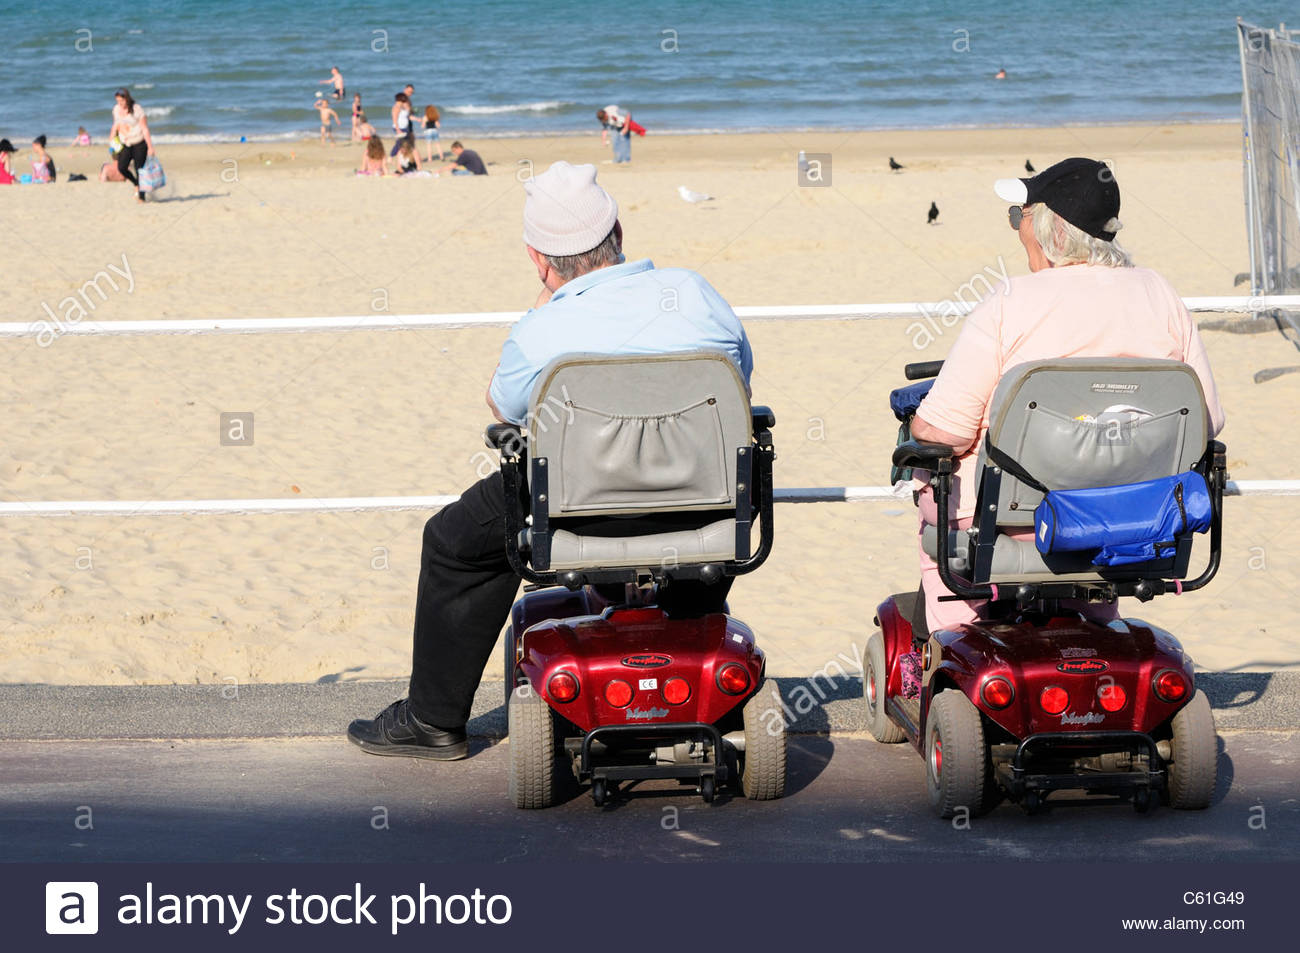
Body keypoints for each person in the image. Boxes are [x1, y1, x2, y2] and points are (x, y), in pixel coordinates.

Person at [346, 160, 754, 760]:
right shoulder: (693, 292)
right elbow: (737, 375)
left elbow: (503, 407)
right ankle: (693, 667)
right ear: (618, 232)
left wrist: (545, 303)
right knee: (684, 522)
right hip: (699, 506)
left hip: (575, 509)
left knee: (453, 543)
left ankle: (434, 722)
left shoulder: (543, 330)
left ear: (539, 259)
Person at [908, 157, 1226, 633]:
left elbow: (944, 433)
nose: (1018, 230)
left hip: (1011, 515)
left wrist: (919, 423)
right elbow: (1207, 421)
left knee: (934, 492)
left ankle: (953, 640)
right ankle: (1095, 621)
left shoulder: (1010, 302)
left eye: (1021, 217)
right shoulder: (1160, 294)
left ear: (1049, 231)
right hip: (1130, 512)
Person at [108, 87, 154, 203]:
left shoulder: (137, 109)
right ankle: (136, 184)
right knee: (121, 167)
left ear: (127, 98)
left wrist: (150, 147)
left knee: (140, 170)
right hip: (125, 143)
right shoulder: (116, 109)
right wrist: (112, 140)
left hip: (139, 143)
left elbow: (144, 128)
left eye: (122, 101)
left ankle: (141, 198)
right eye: (117, 101)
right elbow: (116, 125)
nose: (120, 104)